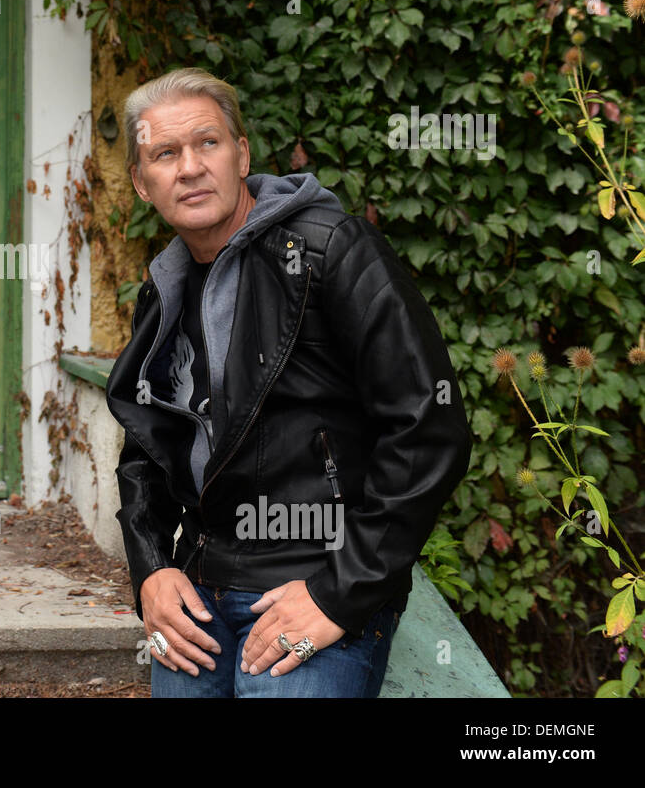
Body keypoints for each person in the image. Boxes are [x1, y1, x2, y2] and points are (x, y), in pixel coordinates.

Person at [104, 68, 472, 697]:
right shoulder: (163, 287)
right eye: (165, 154)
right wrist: (152, 570)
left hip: (313, 585)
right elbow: (149, 443)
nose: (190, 168)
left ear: (242, 153)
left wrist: (338, 594)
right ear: (142, 184)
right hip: (196, 597)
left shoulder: (334, 251)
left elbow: (428, 427)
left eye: (208, 143)